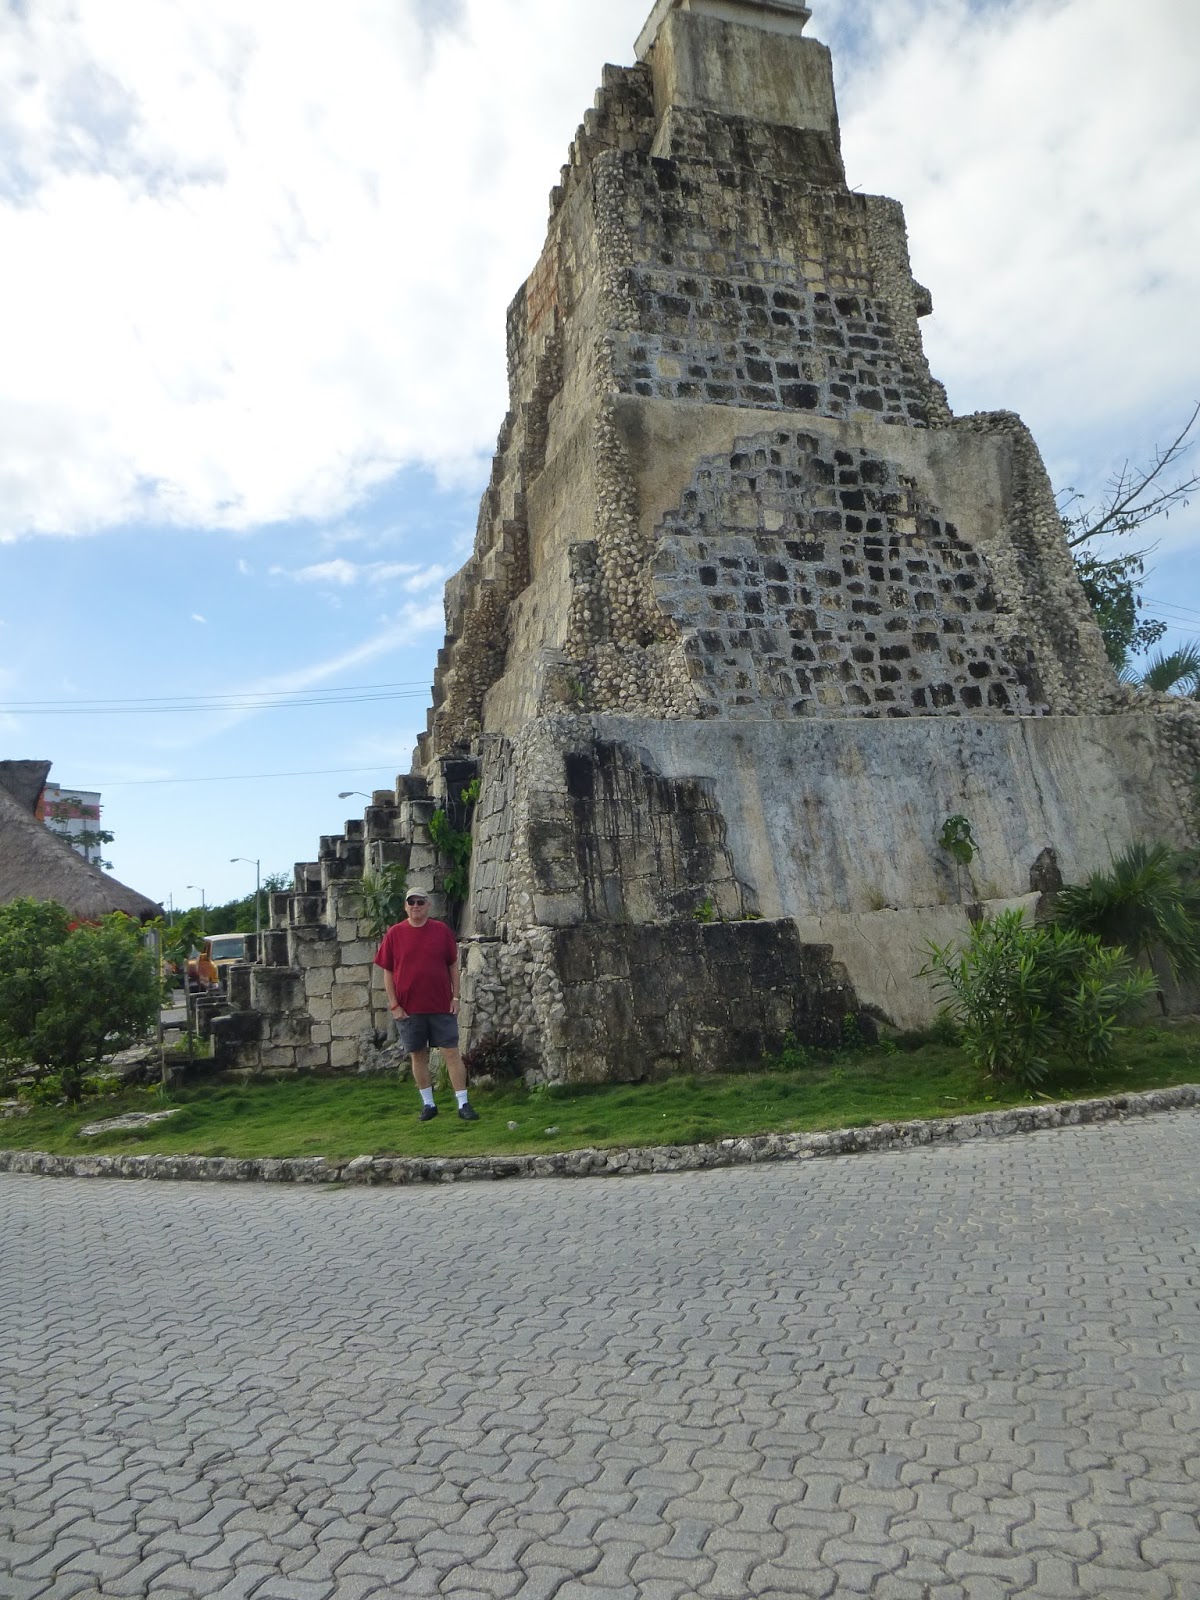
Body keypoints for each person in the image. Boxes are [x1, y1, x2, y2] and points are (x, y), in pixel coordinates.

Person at [373, 888, 479, 1122]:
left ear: (428, 905)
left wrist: (456, 997)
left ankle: (463, 1103)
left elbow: (453, 965)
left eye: (420, 902)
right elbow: (388, 971)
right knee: (417, 1055)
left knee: (451, 1052)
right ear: (405, 906)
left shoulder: (441, 931)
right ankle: (428, 1104)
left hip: (441, 1004)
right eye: (411, 902)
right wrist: (394, 1005)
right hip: (409, 1008)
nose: (416, 906)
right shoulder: (394, 934)